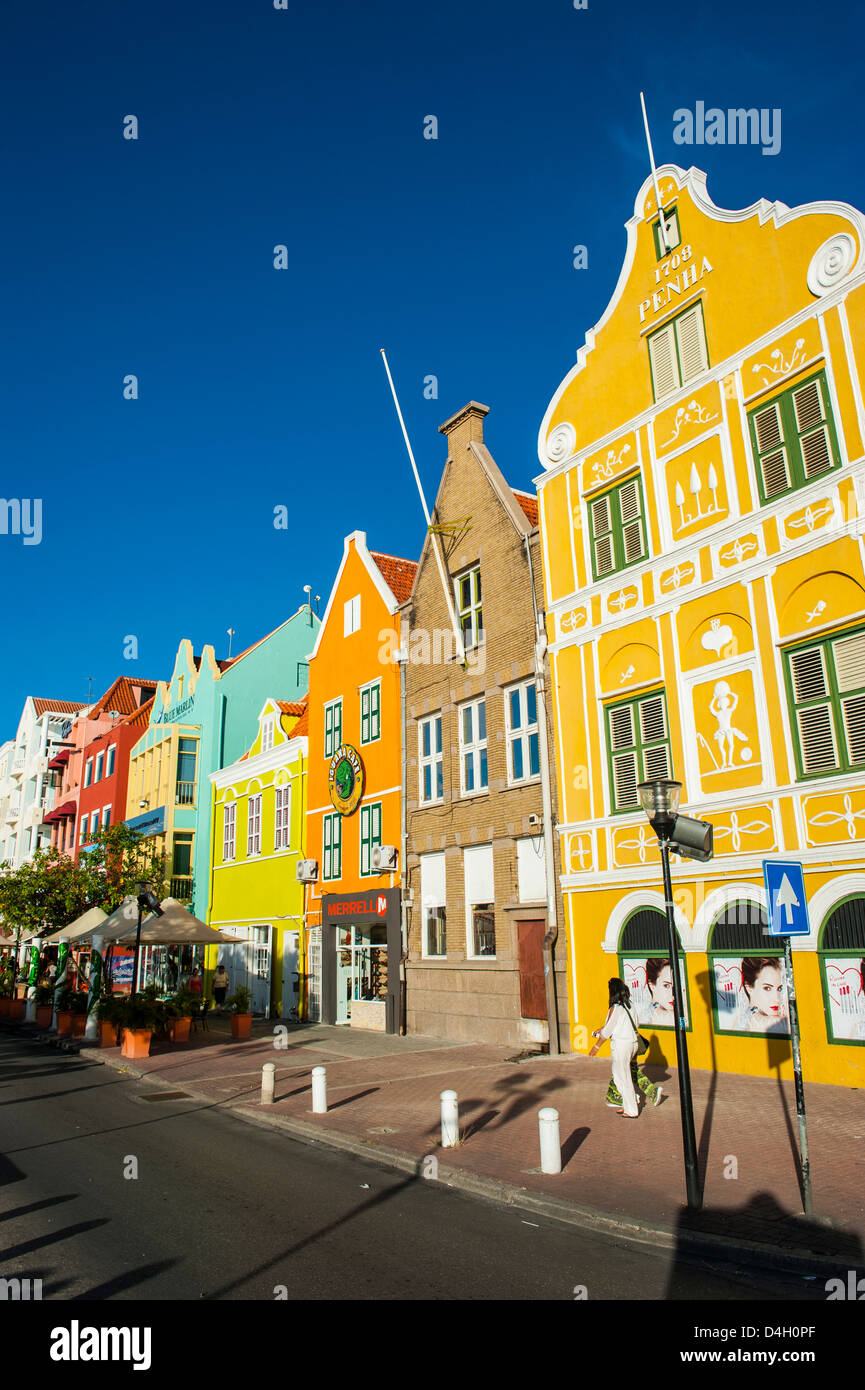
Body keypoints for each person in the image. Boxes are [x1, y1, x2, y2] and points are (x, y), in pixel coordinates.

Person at [589, 977, 642, 1118]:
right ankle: (630, 1100)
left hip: (621, 1045)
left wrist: (596, 1046)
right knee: (618, 1075)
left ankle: (632, 1110)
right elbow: (635, 1024)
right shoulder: (630, 1006)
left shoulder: (616, 1008)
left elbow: (607, 1031)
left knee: (623, 1077)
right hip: (632, 1043)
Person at [737, 956, 788, 1033]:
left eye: (779, 989)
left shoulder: (747, 1017)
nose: (777, 998)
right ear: (749, 988)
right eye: (767, 988)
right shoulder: (757, 1022)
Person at [645, 957, 676, 1027]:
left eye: (675, 986)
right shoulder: (658, 1016)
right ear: (652, 986)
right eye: (666, 986)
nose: (672, 993)